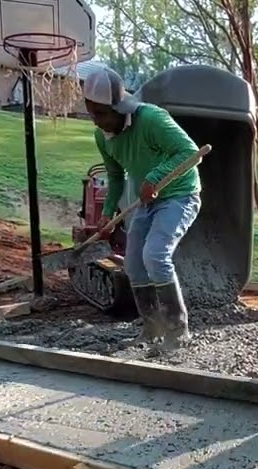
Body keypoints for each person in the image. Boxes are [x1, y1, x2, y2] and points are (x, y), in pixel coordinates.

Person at [81, 66, 202, 353]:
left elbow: (190, 152)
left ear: (118, 107)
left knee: (156, 255)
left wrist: (155, 178)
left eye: (101, 113)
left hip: (179, 195)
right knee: (134, 263)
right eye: (92, 114)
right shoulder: (103, 137)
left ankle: (178, 329)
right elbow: (114, 176)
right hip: (147, 202)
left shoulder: (152, 119)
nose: (97, 122)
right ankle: (152, 327)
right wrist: (109, 212)